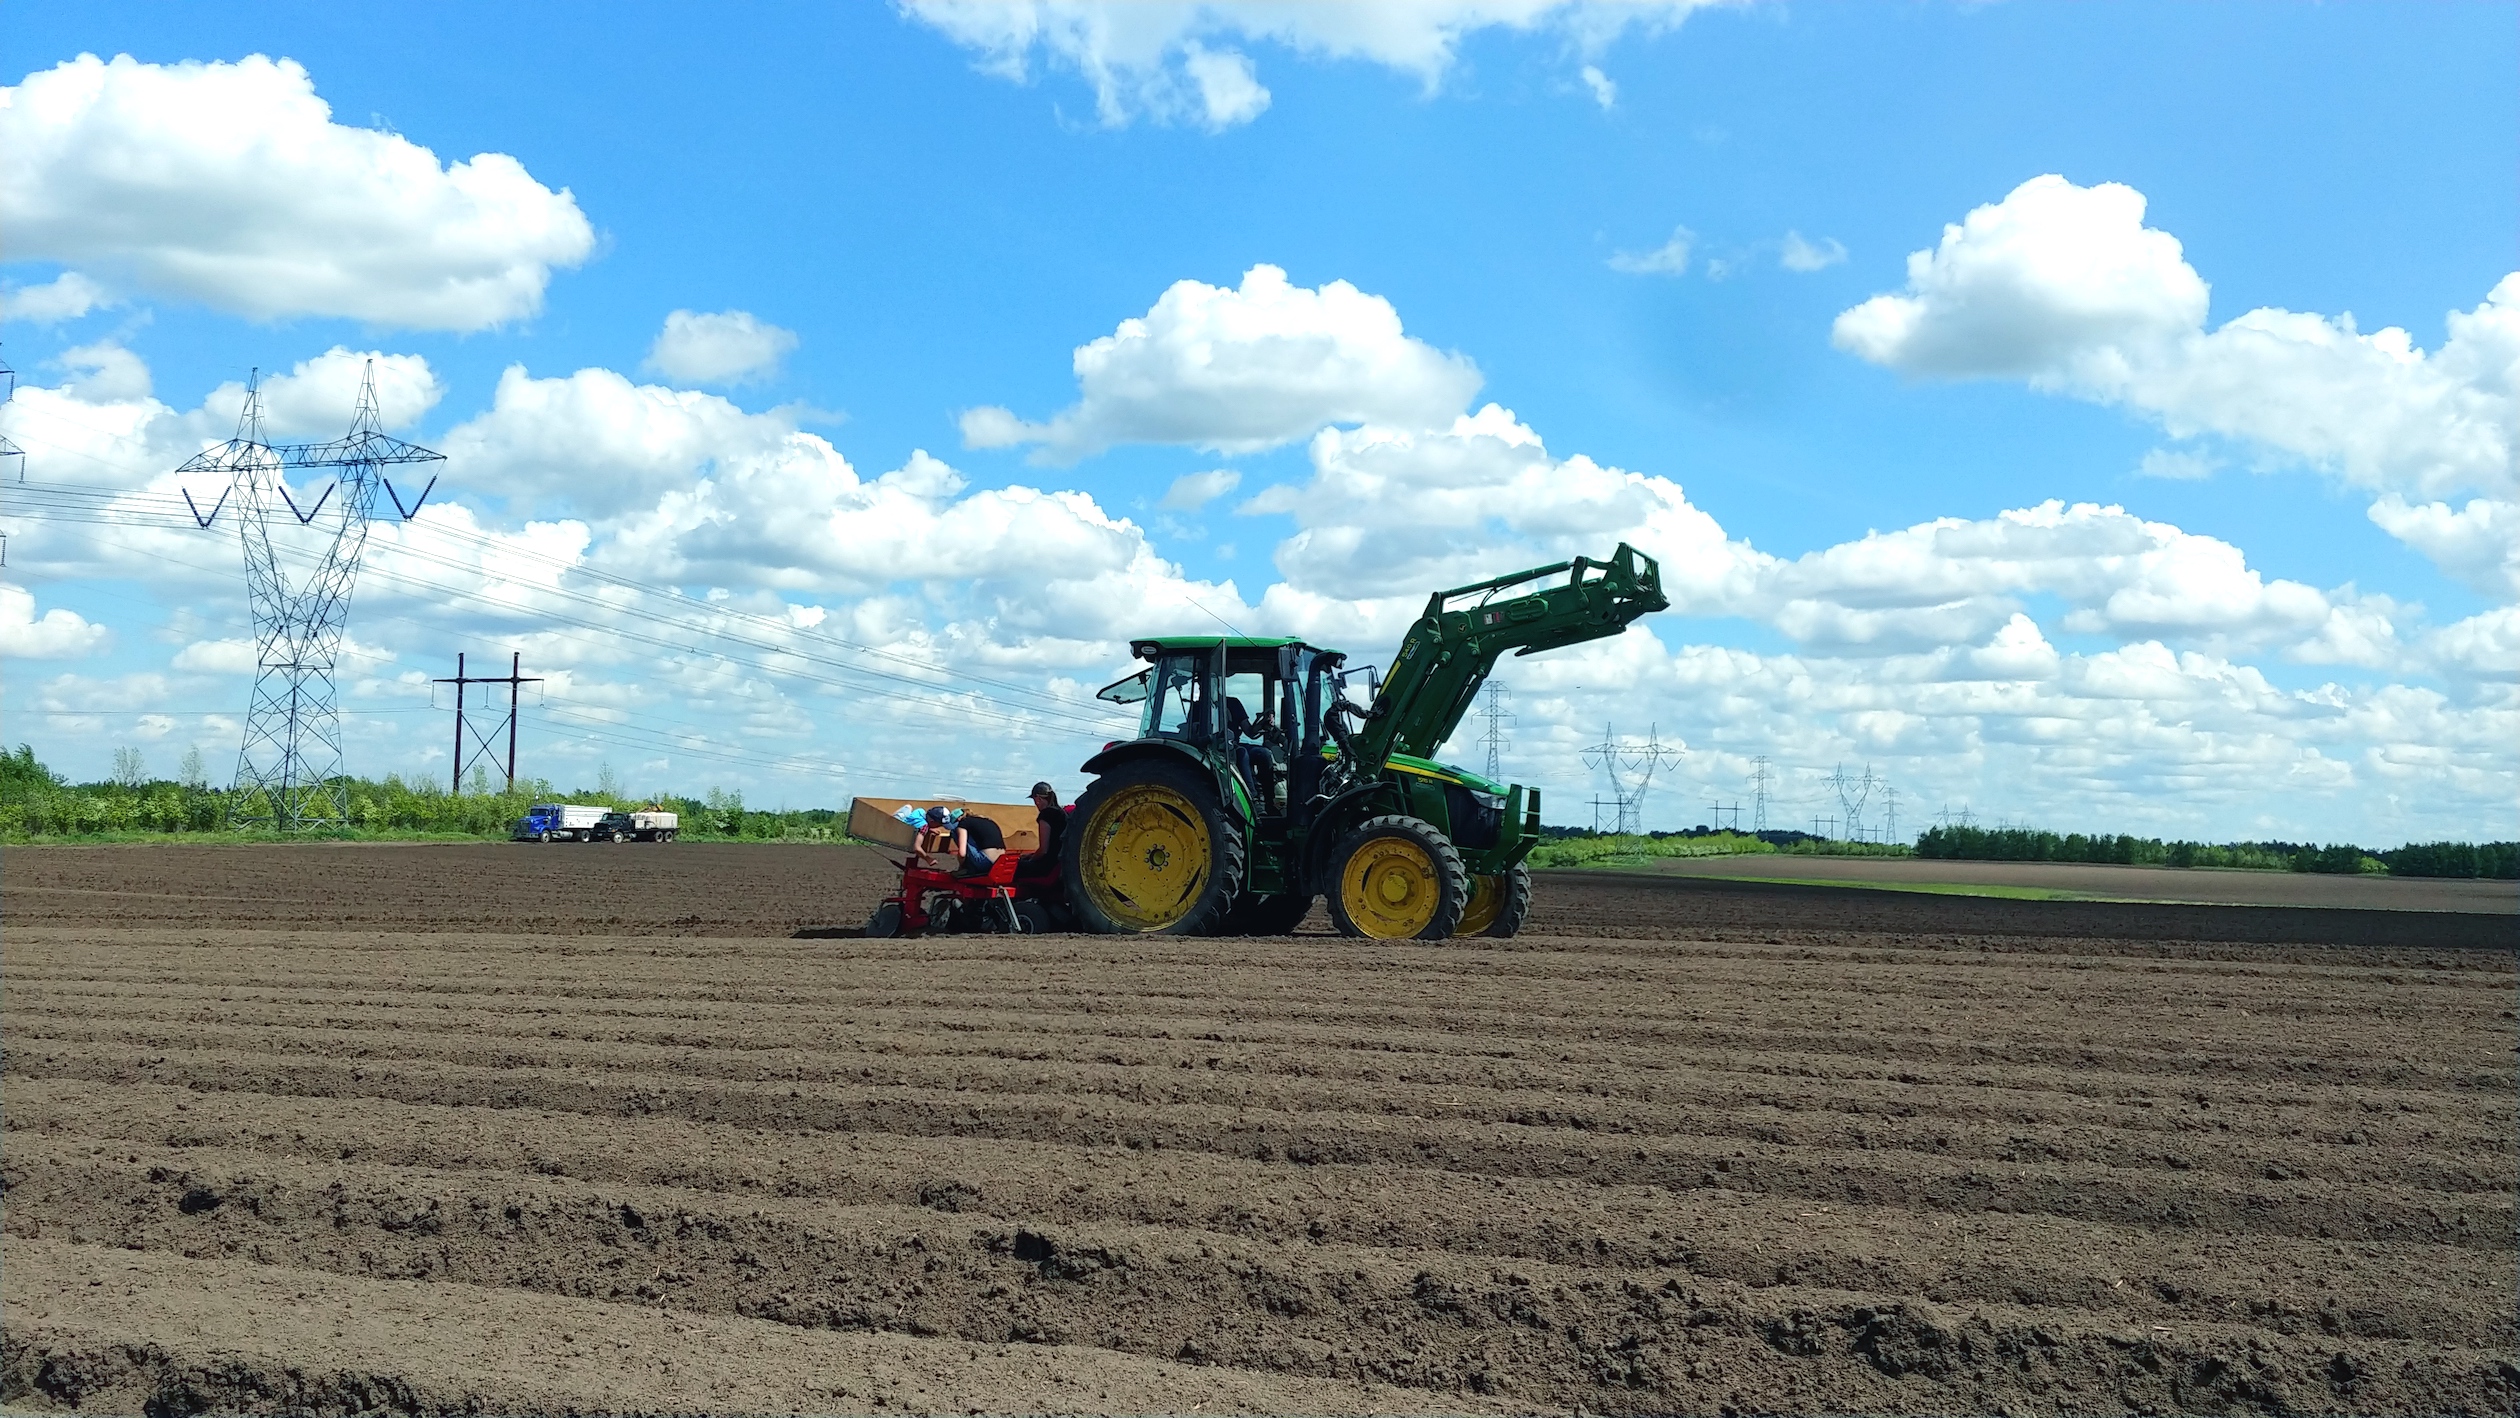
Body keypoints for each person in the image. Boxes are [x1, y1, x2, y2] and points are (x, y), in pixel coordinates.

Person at [953, 809, 1006, 875]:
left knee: (954, 831)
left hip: (986, 862)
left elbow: (962, 854)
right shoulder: (989, 821)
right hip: (1002, 862)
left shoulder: (963, 823)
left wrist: (961, 866)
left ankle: (967, 868)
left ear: (958, 819)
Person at [1029, 782, 1066, 863]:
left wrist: (1030, 860)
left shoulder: (1046, 814)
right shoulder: (1062, 812)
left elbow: (1043, 850)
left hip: (1050, 862)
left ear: (1038, 799)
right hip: (1062, 861)